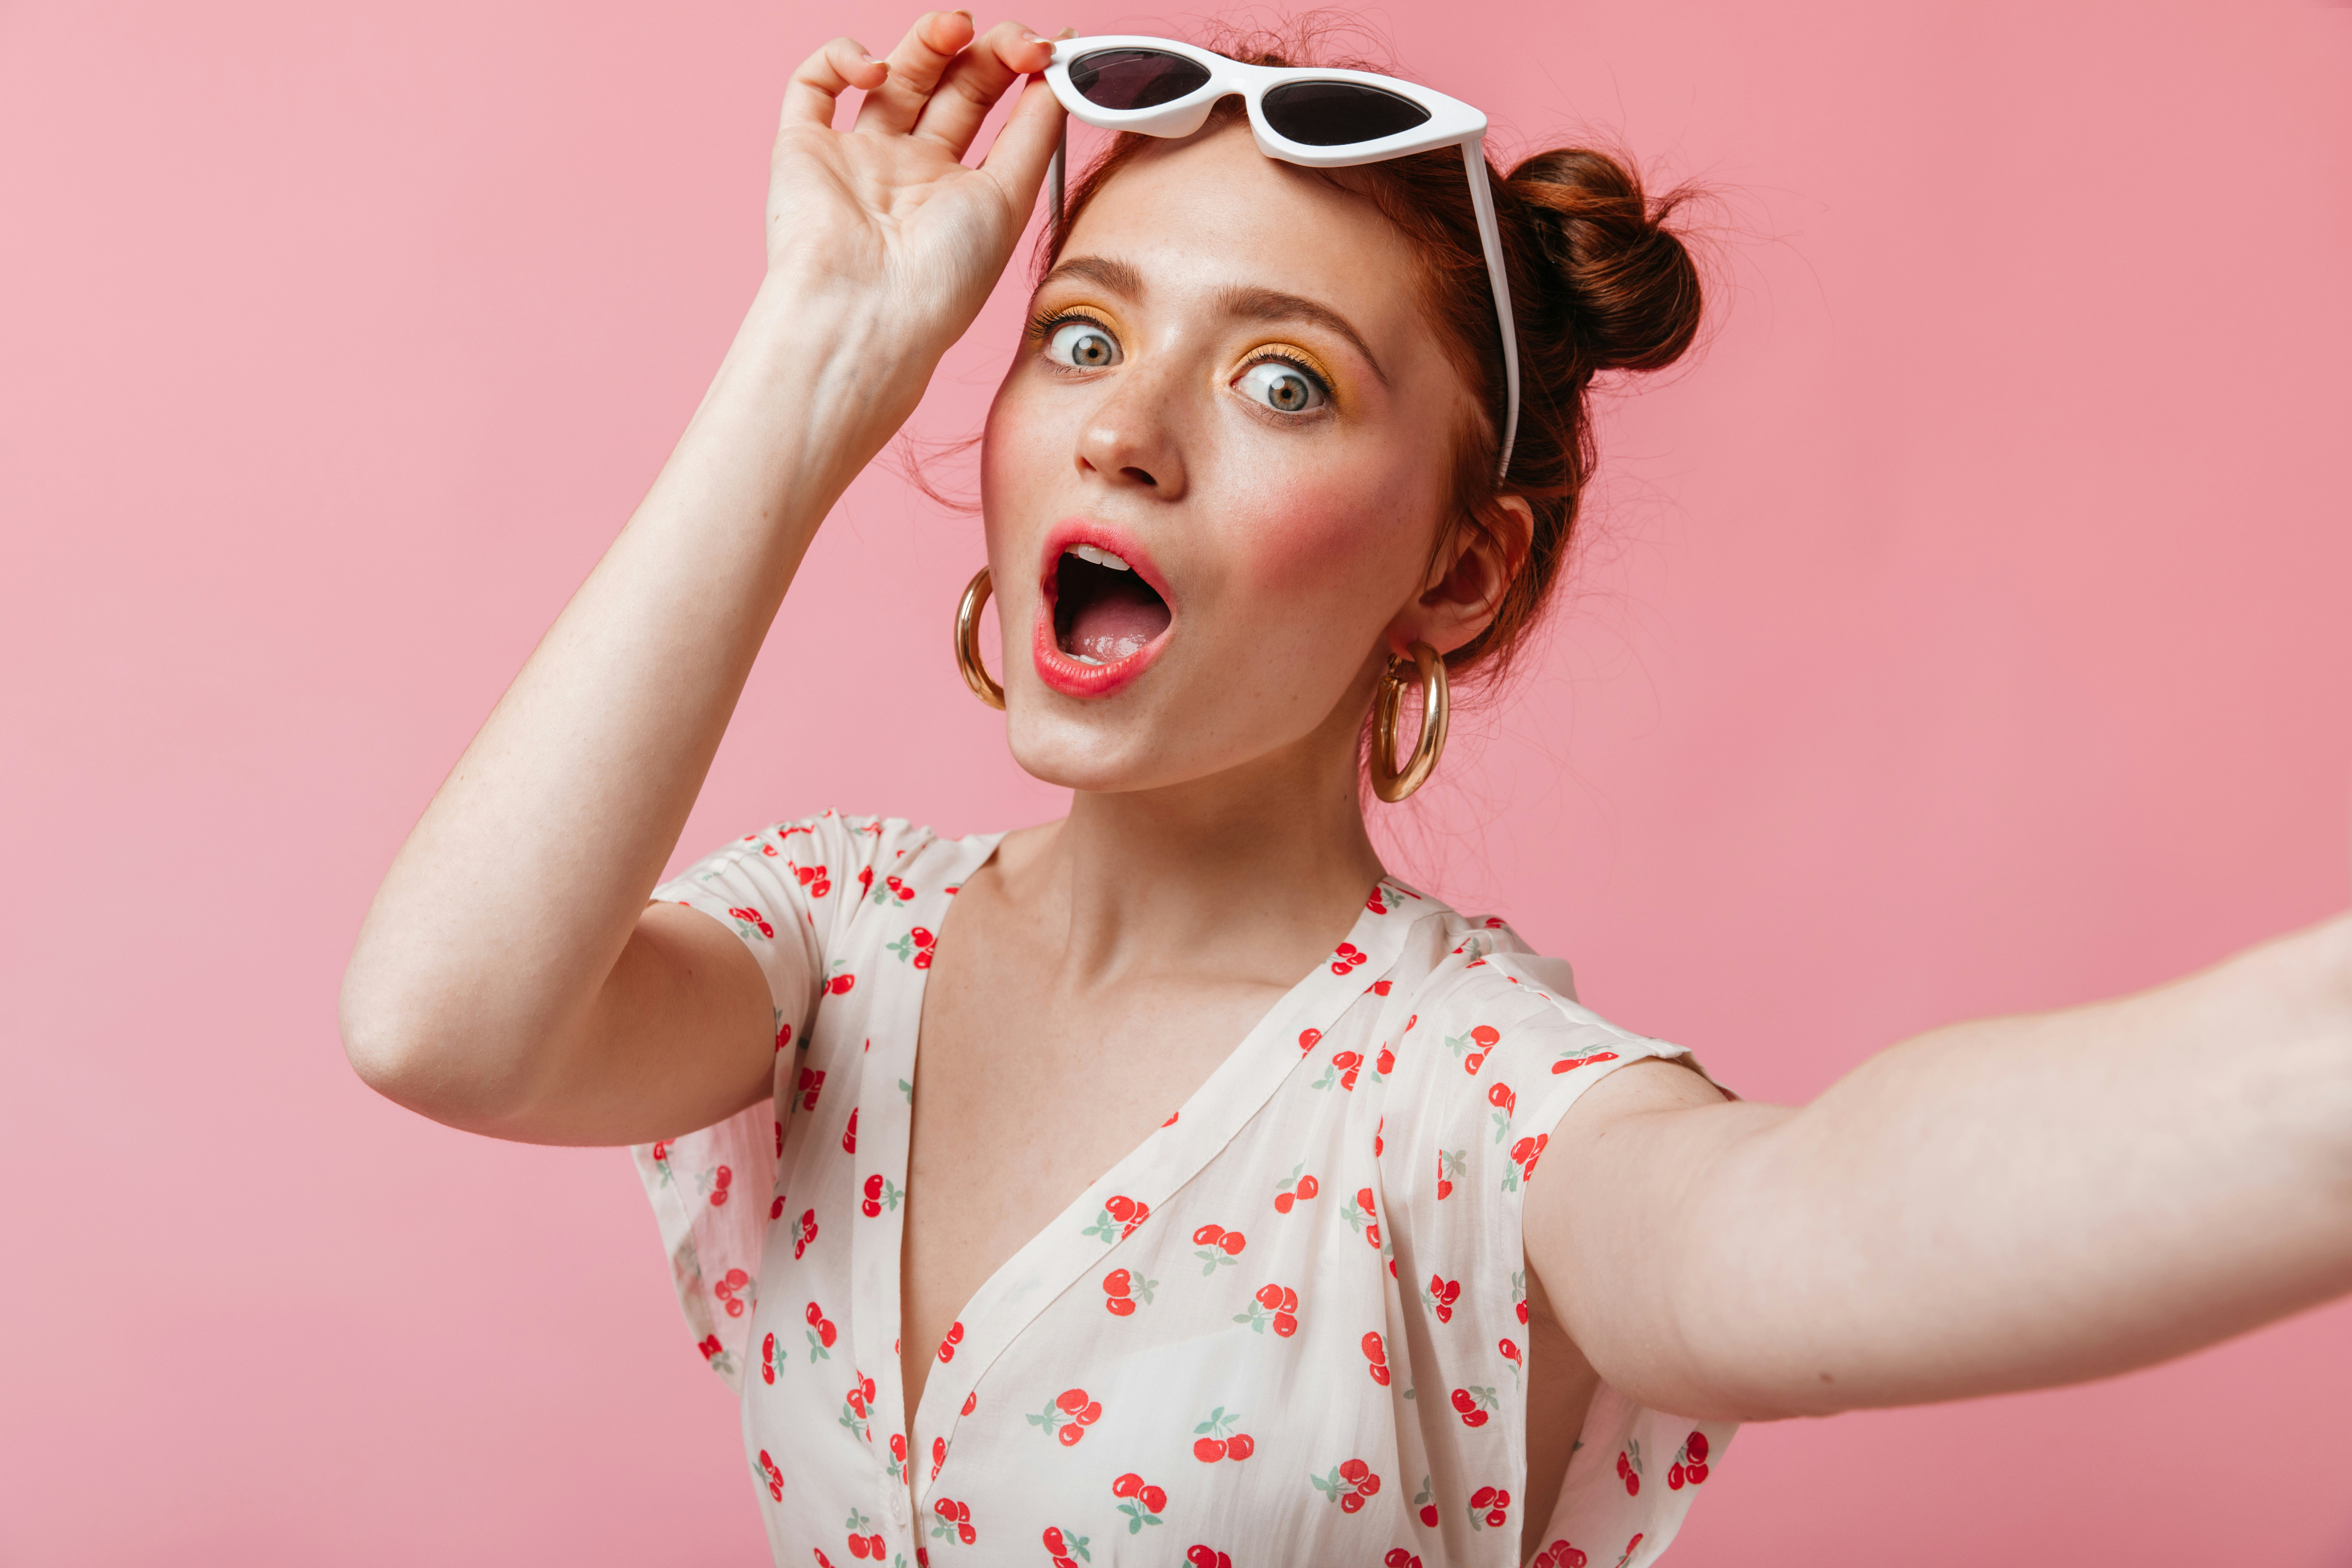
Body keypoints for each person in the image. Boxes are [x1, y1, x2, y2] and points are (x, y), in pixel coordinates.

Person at [338, 13, 2352, 1566]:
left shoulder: (1460, 1106)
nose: (1126, 431)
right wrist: (822, 346)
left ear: (1459, 570)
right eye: (1079, 336)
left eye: (1282, 380)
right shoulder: (835, 955)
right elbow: (445, 1025)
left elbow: (1803, 1218)